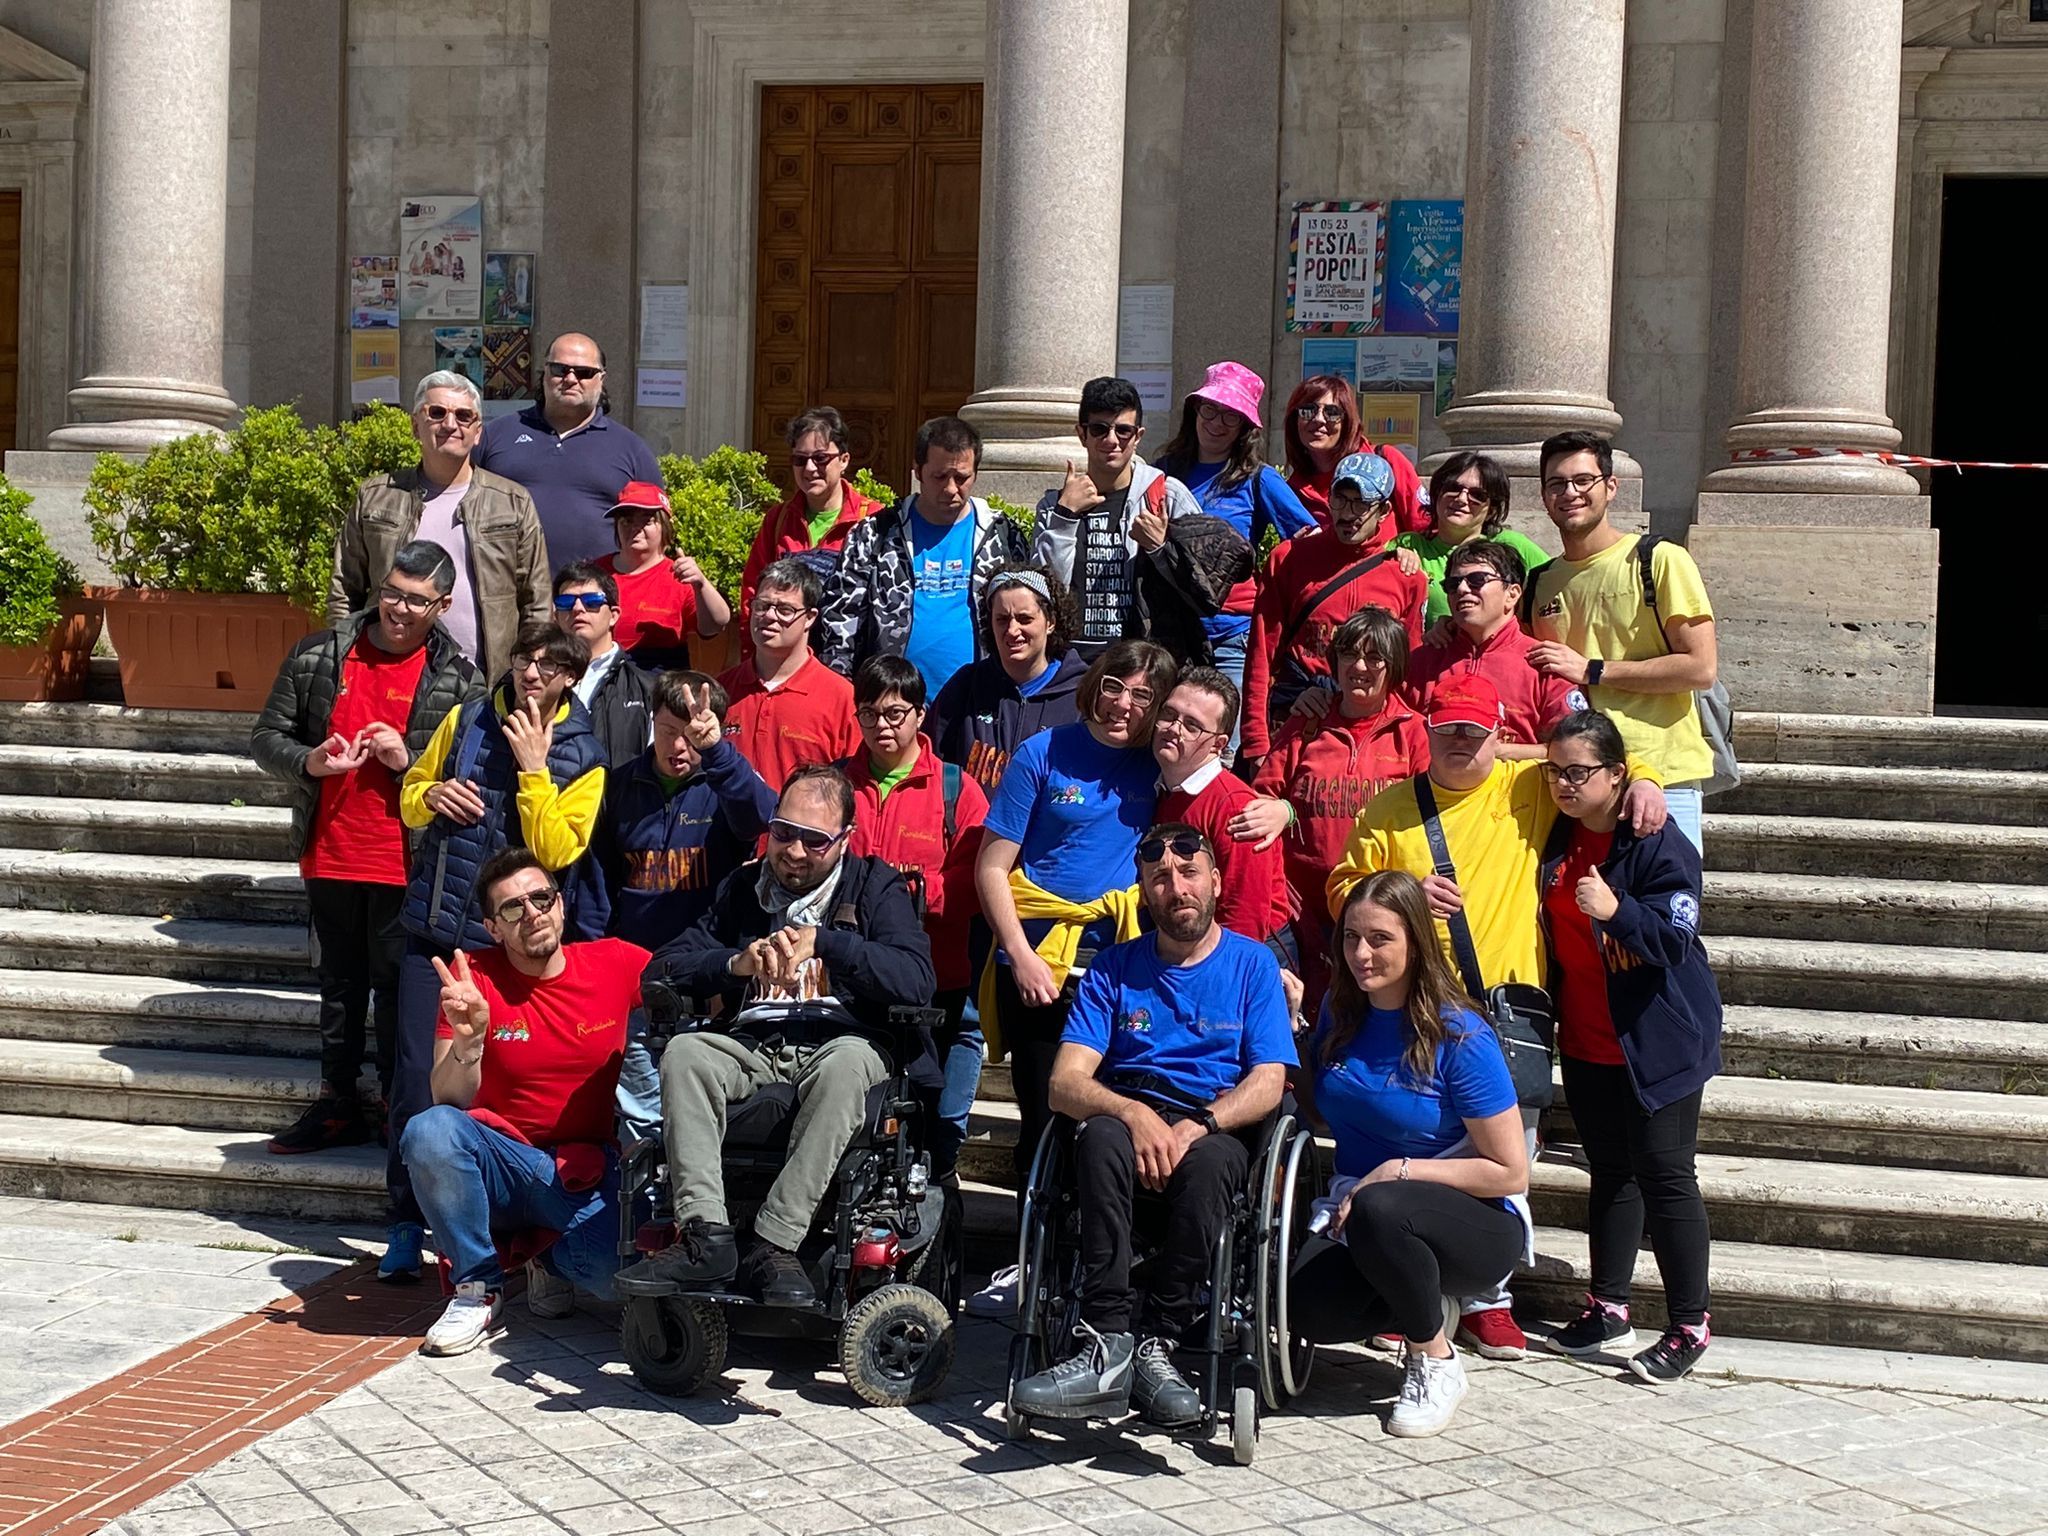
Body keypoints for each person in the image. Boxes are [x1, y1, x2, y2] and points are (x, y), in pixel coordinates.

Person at [1326, 671, 1667, 1360]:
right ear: (1426, 733)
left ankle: (1490, 1298)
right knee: (1415, 1146)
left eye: (1475, 735)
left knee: (1512, 1148)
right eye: (1446, 731)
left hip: (1508, 1005)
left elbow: (1596, 758)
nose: (1459, 744)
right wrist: (1402, 897)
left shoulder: (1528, 789)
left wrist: (1650, 778)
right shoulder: (1392, 805)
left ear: (1500, 739)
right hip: (1415, 1007)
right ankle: (1411, 1282)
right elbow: (1341, 887)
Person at [1008, 826, 1294, 1425]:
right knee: (1101, 1136)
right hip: (1130, 1110)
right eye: (1161, 878)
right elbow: (1064, 1082)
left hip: (1213, 1122)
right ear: (1143, 890)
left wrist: (1200, 1124)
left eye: (1189, 874)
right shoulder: (1112, 969)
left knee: (1216, 1163)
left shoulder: (1253, 965)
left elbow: (1269, 1081)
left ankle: (1157, 1340)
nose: (1176, 888)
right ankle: (1107, 1340)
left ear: (1215, 881)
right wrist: (1133, 1113)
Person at [619, 766, 937, 1305]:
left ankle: (775, 1242)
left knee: (844, 1068)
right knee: (686, 1052)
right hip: (755, 1046)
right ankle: (706, 1238)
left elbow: (916, 979)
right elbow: (662, 967)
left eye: (814, 840)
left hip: (843, 1040)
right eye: (784, 832)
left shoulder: (875, 885)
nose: (793, 851)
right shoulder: (744, 888)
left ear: (843, 840)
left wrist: (829, 945)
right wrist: (735, 963)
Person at [383, 623, 610, 1282]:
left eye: (549, 664)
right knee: (412, 1084)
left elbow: (559, 851)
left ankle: (491, 1235)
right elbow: (408, 799)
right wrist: (429, 795)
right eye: (523, 658)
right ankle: (404, 1221)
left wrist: (536, 772)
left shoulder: (585, 754)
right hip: (435, 929)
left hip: (508, 948)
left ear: (571, 676)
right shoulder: (467, 717)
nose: (532, 671)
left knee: (491, 1088)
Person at [967, 639, 1177, 1316]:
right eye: (1117, 686)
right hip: (1041, 966)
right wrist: (1020, 956)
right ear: (1096, 683)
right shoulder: (1042, 754)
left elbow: (1220, 790)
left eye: (1145, 696)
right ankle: (1033, 1261)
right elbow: (992, 867)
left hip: (1121, 972)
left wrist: (1283, 809)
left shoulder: (1158, 765)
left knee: (1107, 1125)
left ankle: (1101, 1266)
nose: (1125, 705)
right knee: (1043, 1116)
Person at [253, 541, 483, 1153]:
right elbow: (264, 737)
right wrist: (310, 761)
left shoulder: (461, 679)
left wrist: (408, 761)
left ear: (443, 605)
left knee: (395, 987)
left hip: (406, 864)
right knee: (339, 983)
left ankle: (393, 1103)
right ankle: (335, 1101)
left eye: (415, 600)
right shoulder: (320, 655)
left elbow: (469, 772)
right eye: (391, 592)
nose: (399, 609)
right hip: (329, 850)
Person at [1287, 872, 1531, 1438]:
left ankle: (1436, 1361)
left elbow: (1509, 1170)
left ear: (1415, 941)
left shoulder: (1460, 1035)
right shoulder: (1341, 1016)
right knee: (1307, 1309)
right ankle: (1416, 1300)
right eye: (1351, 938)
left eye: (1379, 939)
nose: (1361, 954)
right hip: (1367, 1215)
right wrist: (1293, 1027)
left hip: (1474, 1222)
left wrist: (1395, 1172)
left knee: (1383, 1208)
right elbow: (1327, 1115)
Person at [1538, 711, 1721, 1383]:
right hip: (1586, 1040)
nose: (1562, 783)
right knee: (1610, 1170)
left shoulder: (1656, 841)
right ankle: (1609, 1305)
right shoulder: (1554, 835)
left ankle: (1690, 1325)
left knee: (1666, 1175)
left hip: (1659, 1042)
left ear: (1618, 775)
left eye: (1578, 772)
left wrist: (1618, 911)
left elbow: (1675, 937)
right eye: (1554, 770)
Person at [405, 849, 644, 1356]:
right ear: (493, 927)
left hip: (580, 1166)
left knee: (618, 1278)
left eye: (541, 898)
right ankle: (477, 1288)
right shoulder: (473, 979)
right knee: (428, 1131)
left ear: (561, 906)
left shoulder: (615, 961)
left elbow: (691, 986)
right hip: (497, 1163)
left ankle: (547, 1257)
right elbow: (445, 1101)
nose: (532, 913)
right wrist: (469, 1046)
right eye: (512, 908)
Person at [595, 670, 776, 1141]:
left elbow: (764, 816)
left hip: (706, 974)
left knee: (697, 1111)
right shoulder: (620, 786)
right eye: (668, 731)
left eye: (692, 735)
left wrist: (716, 753)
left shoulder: (725, 781)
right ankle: (647, 1209)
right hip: (635, 975)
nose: (678, 747)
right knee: (639, 1112)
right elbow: (598, 882)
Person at [1525, 431, 1719, 853]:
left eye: (1583, 480)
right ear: (1543, 495)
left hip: (1664, 778)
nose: (1570, 493)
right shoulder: (1539, 582)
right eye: (1556, 483)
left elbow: (1700, 668)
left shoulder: (1659, 559)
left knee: (1658, 916)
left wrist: (1593, 669)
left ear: (1610, 487)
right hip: (1577, 784)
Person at [842, 655, 990, 1178]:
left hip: (939, 989)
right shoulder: (835, 787)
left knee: (934, 1138)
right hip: (853, 988)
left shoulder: (957, 790)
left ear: (920, 715)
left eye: (896, 713)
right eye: (870, 714)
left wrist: (909, 898)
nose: (882, 725)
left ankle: (938, 1234)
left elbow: (977, 881)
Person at [1246, 608, 1429, 1009]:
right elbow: (1261, 800)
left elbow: (1432, 821)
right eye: (1349, 655)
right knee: (1302, 1009)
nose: (1359, 667)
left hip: (1377, 911)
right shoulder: (1307, 723)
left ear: (1395, 665)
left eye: (1374, 657)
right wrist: (1286, 810)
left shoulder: (1413, 732)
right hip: (1300, 910)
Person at [329, 370, 549, 679]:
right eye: (437, 413)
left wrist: (528, 672)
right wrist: (344, 660)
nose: (450, 424)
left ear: (478, 432)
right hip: (390, 675)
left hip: (486, 681)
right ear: (415, 426)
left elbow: (536, 601)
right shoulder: (377, 497)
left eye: (463, 416)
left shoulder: (512, 501)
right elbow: (344, 589)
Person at [1240, 452, 1428, 764]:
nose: (1348, 513)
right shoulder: (1288, 559)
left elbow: (1407, 670)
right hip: (1298, 717)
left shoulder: (1406, 577)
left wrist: (1405, 739)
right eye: (1341, 499)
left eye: (1362, 504)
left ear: (1383, 511)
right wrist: (1257, 740)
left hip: (1369, 731)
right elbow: (1262, 652)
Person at [1150, 363, 1316, 707]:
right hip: (1170, 634)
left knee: (1225, 748)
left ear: (1244, 426)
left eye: (1231, 415)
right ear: (1195, 410)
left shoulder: (1259, 479)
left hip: (1232, 637)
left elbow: (1309, 543)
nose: (1216, 423)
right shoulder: (1162, 472)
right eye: (1210, 409)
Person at [818, 415, 1030, 683]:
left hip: (980, 703)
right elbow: (841, 622)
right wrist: (842, 692)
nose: (951, 489)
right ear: (918, 471)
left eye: (961, 477)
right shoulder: (876, 533)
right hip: (894, 704)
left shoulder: (1002, 535)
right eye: (939, 476)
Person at [1030, 376, 1201, 660]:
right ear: (1081, 434)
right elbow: (1043, 593)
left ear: (1138, 436)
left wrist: (1160, 550)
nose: (1111, 440)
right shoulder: (1054, 505)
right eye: (1099, 429)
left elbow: (1200, 589)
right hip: (1071, 664)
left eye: (1123, 430)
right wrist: (1065, 517)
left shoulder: (1167, 496)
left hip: (1144, 662)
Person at [474, 332, 664, 568]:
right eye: (560, 369)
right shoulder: (496, 435)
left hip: (592, 599)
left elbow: (658, 532)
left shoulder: (631, 449)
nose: (571, 379)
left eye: (584, 372)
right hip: (505, 594)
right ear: (544, 373)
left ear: (601, 379)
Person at [1150, 666, 1291, 955]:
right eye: (1169, 714)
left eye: (1192, 726)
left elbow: (1245, 917)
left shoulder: (1236, 807)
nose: (1174, 729)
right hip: (1184, 942)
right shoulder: (1160, 785)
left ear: (1219, 745)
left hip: (1244, 953)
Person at [1405, 541, 1584, 758]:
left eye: (1477, 580)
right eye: (1453, 584)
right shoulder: (1422, 662)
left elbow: (1577, 748)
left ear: (1512, 594)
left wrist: (1496, 752)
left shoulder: (1544, 663)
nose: (1462, 589)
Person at [927, 564, 1087, 795]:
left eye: (1025, 619)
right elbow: (936, 766)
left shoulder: (1082, 695)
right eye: (1002, 619)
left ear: (1050, 622)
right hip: (973, 828)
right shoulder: (966, 685)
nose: (1012, 630)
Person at [717, 556, 861, 791]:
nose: (769, 617)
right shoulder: (720, 690)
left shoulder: (842, 698)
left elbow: (855, 787)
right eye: (762, 606)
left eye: (785, 610)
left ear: (810, 618)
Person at [740, 406, 884, 624]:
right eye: (800, 459)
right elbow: (753, 591)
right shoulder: (778, 520)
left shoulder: (873, 519)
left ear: (844, 460)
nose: (809, 468)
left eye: (820, 458)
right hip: (784, 654)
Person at [1390, 453, 1550, 624]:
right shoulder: (1408, 545)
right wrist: (1395, 558)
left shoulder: (1512, 545)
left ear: (1492, 509)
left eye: (1477, 495)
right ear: (1437, 493)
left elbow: (1558, 584)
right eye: (1453, 488)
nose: (1461, 499)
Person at [595, 480, 731, 669]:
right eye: (627, 520)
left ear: (665, 526)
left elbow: (716, 624)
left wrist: (701, 583)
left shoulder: (680, 576)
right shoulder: (595, 573)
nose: (635, 527)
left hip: (659, 687)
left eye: (647, 520)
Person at [1279, 373, 1423, 541]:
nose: (1318, 419)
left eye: (1332, 412)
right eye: (1308, 410)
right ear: (1294, 421)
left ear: (1347, 421)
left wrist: (1406, 553)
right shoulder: (1291, 492)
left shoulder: (1387, 462)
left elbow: (1427, 530)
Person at [552, 561, 657, 770]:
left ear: (614, 615)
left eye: (592, 601)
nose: (578, 609)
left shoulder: (648, 689)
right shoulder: (535, 679)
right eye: (566, 602)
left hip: (621, 801)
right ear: (555, 617)